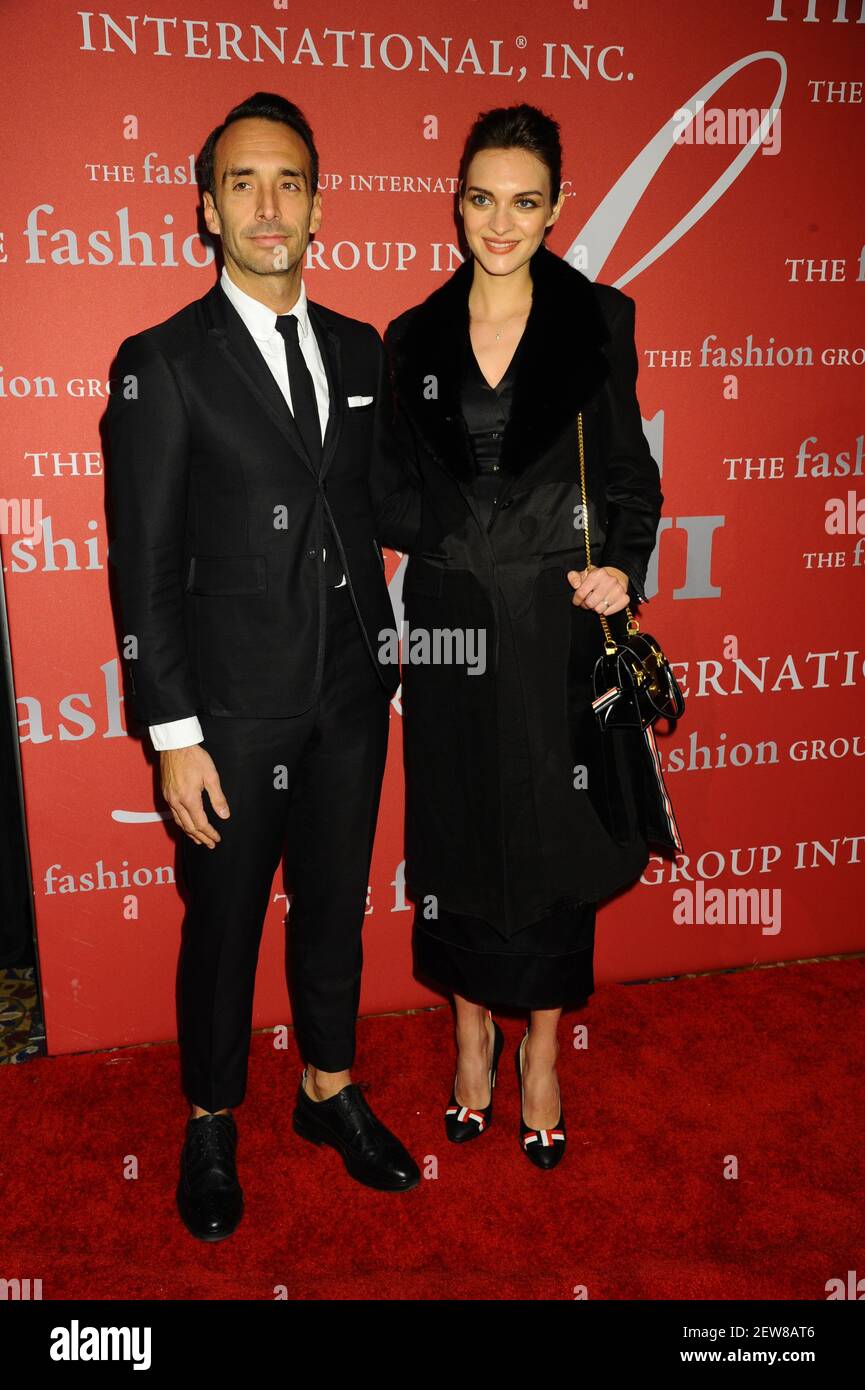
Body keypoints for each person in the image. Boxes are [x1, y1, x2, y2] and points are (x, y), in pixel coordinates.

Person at [106, 91, 420, 1242]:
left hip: (349, 693)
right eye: (243, 182)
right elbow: (140, 568)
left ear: (320, 203)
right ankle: (210, 1117)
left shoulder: (359, 347)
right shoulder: (162, 364)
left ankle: (327, 1092)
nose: (268, 203)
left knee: (333, 910)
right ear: (207, 208)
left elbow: (385, 501)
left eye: (288, 180)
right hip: (232, 712)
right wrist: (173, 734)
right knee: (224, 924)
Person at [376, 103, 663, 1170]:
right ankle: (465, 1032)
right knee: (453, 824)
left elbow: (628, 477)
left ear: (556, 208)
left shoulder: (600, 324)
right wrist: (443, 531)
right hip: (452, 619)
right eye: (482, 198)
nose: (501, 222)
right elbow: (392, 496)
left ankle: (540, 1045)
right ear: (456, 201)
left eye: (525, 201)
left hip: (555, 621)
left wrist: (617, 567)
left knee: (551, 827)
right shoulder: (411, 338)